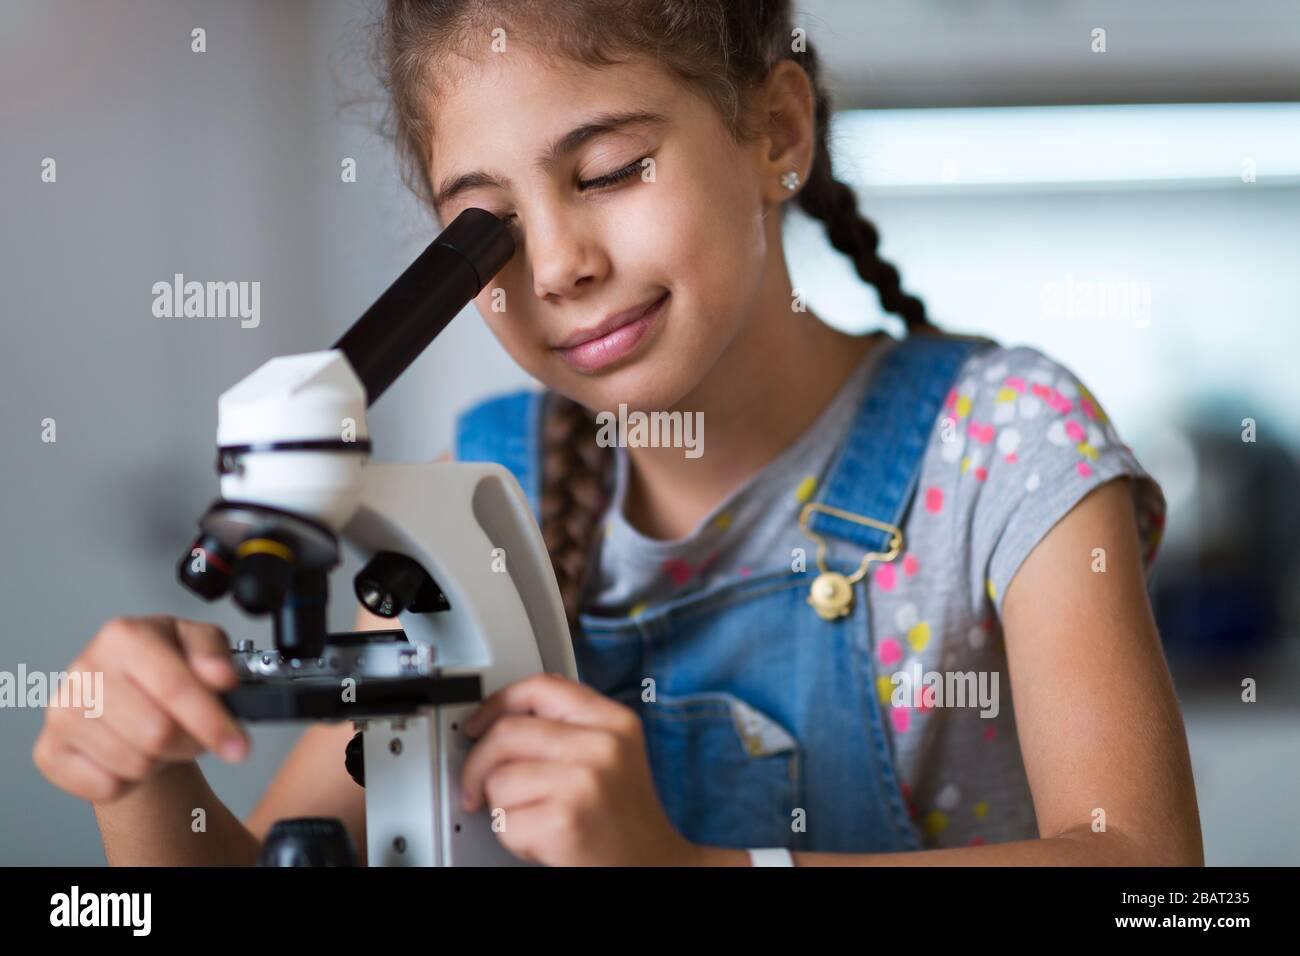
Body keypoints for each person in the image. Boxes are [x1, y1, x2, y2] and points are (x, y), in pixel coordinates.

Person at [34, 0, 1201, 867]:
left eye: (608, 170)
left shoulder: (1005, 446)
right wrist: (146, 774)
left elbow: (1147, 875)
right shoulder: (471, 503)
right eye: (486, 227)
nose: (557, 266)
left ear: (776, 133)